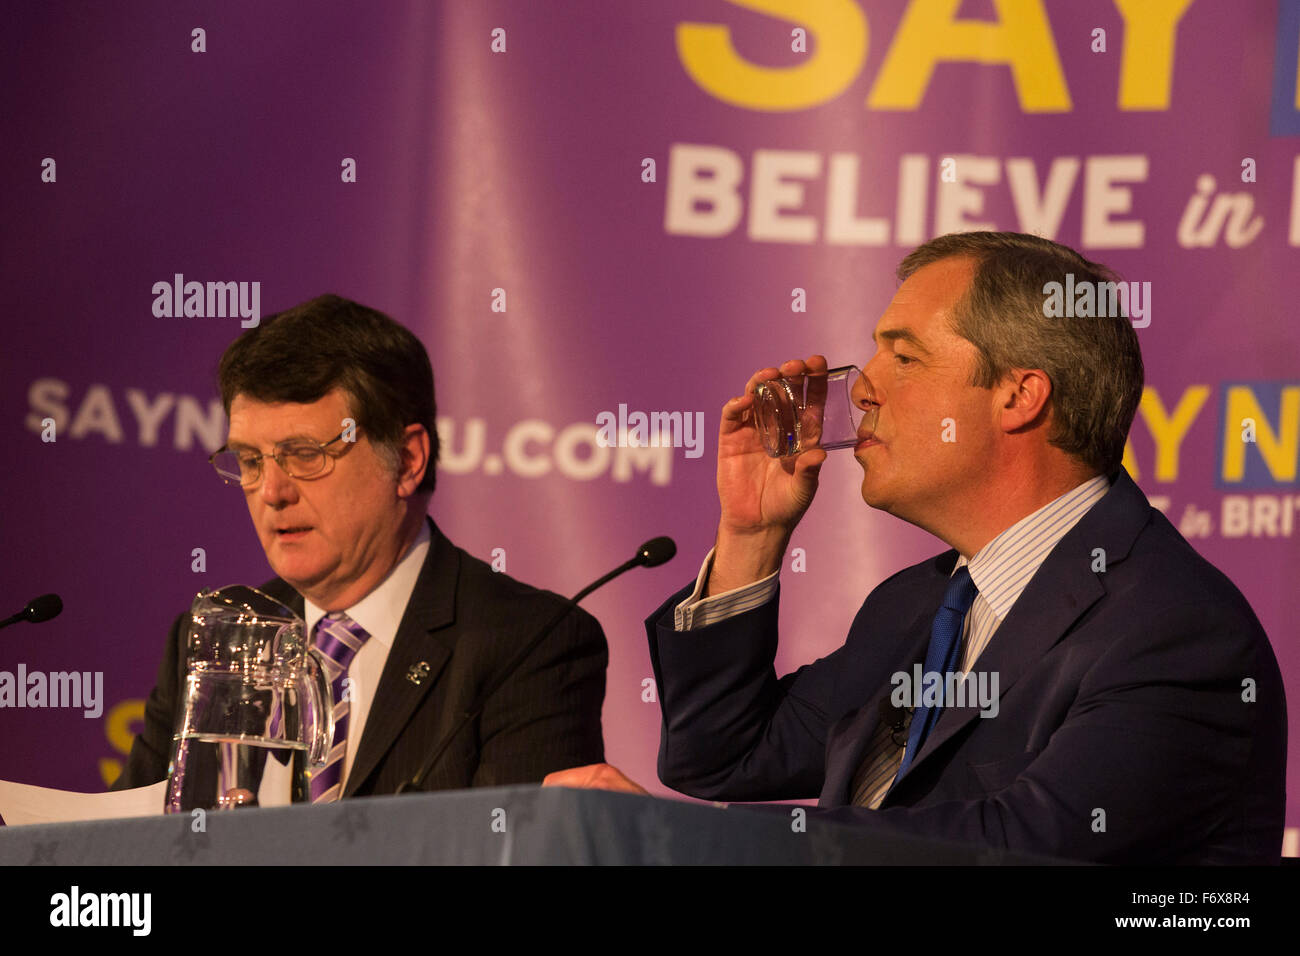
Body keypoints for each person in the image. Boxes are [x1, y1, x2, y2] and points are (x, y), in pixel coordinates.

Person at [544, 232, 1288, 864]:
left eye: (903, 358)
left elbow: (1021, 845)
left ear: (1018, 396)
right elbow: (721, 755)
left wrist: (685, 846)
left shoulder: (1173, 631)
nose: (862, 388)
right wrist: (753, 535)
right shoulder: (917, 605)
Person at [115, 294, 607, 800]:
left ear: (408, 460)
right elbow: (124, 849)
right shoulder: (215, 640)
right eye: (250, 460)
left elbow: (515, 851)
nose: (272, 492)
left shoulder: (528, 645)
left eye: (304, 455)